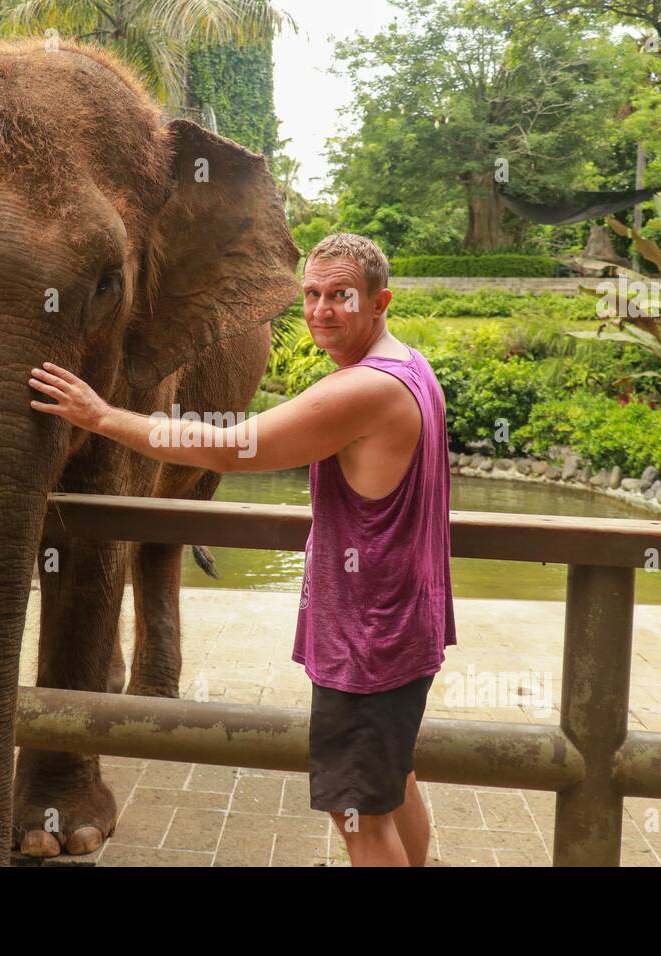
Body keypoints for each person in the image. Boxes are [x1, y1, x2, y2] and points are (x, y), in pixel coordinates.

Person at [28, 232, 457, 867]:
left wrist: (99, 417)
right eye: (310, 294)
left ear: (379, 302)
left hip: (369, 637)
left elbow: (232, 448)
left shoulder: (361, 390)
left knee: (359, 816)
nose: (320, 310)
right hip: (404, 623)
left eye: (340, 296)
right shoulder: (415, 369)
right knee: (391, 784)